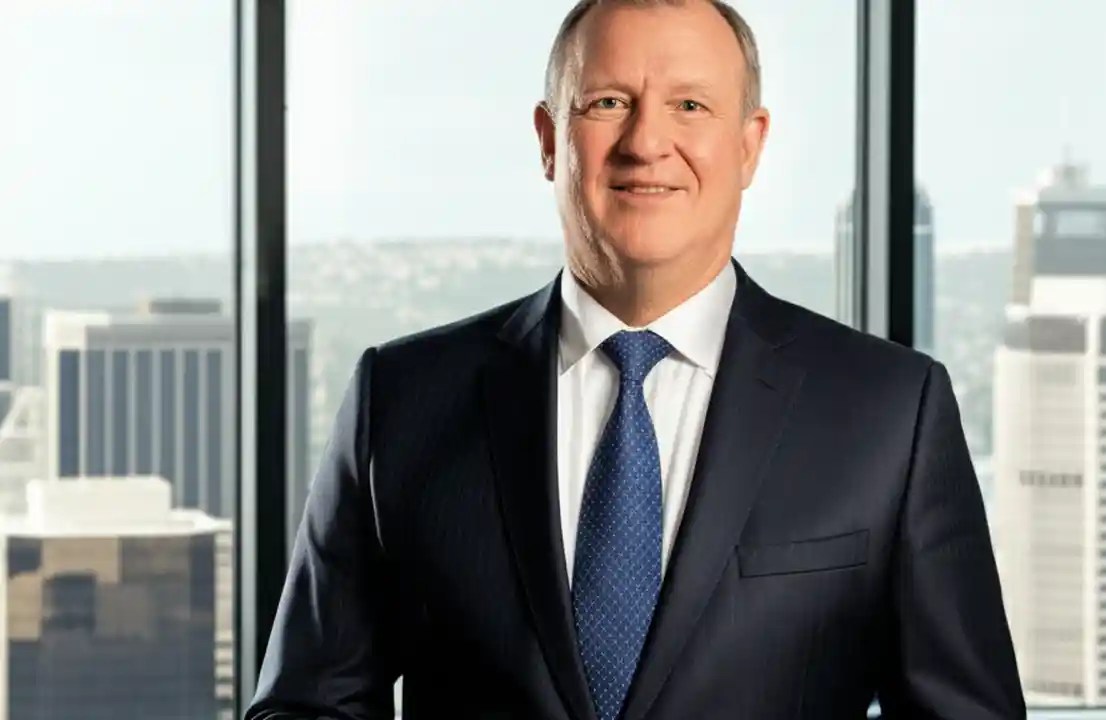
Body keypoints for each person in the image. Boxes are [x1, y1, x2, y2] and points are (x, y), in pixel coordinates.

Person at [245, 1, 1025, 718]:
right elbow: (308, 707)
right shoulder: (405, 401)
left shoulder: (889, 413)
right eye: (609, 102)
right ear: (551, 140)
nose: (647, 142)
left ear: (749, 144)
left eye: (690, 105)